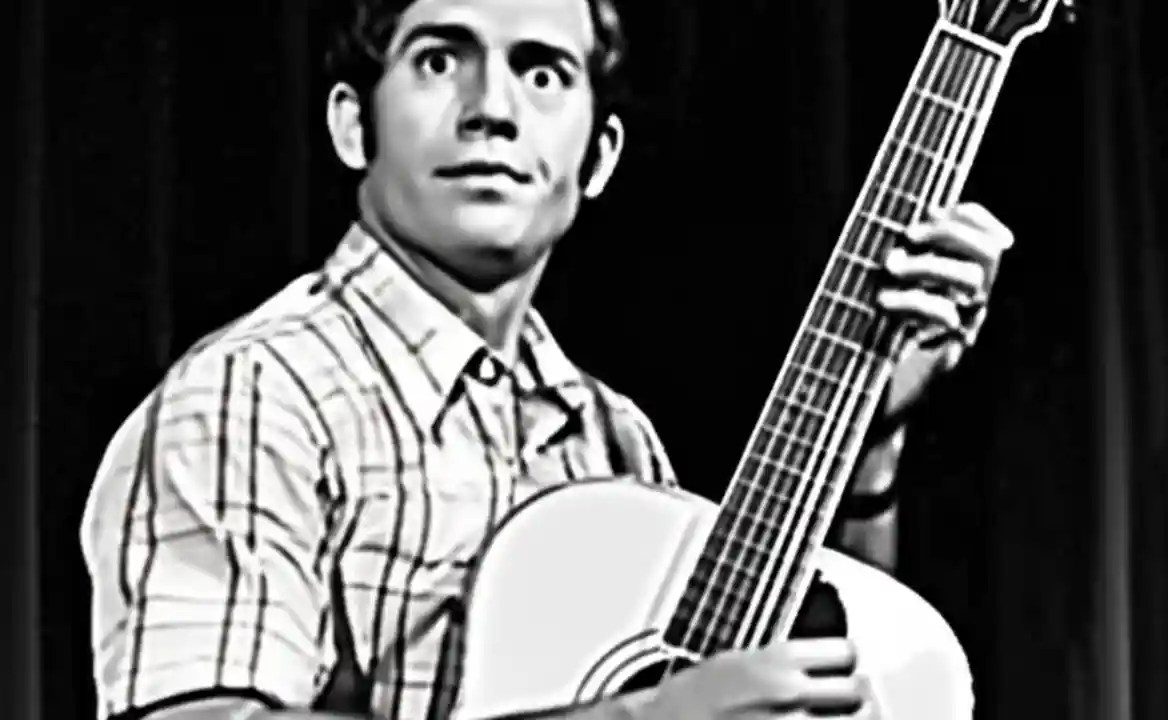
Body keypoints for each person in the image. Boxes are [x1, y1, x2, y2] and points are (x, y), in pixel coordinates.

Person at [78, 0, 1016, 718]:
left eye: (543, 72)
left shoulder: (616, 441)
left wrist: (870, 434)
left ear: (599, 157)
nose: (491, 110)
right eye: (441, 60)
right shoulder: (250, 400)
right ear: (351, 125)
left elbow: (832, 681)